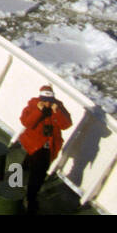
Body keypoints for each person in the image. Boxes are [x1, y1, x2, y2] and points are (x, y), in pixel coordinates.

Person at [16, 84, 72, 214]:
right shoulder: (33, 105)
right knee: (34, 169)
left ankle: (29, 196)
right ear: (40, 98)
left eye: (49, 101)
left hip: (49, 146)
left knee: (38, 172)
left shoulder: (58, 107)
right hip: (34, 143)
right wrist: (38, 111)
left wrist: (57, 112)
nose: (47, 104)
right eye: (44, 101)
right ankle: (29, 197)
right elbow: (26, 123)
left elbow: (66, 125)